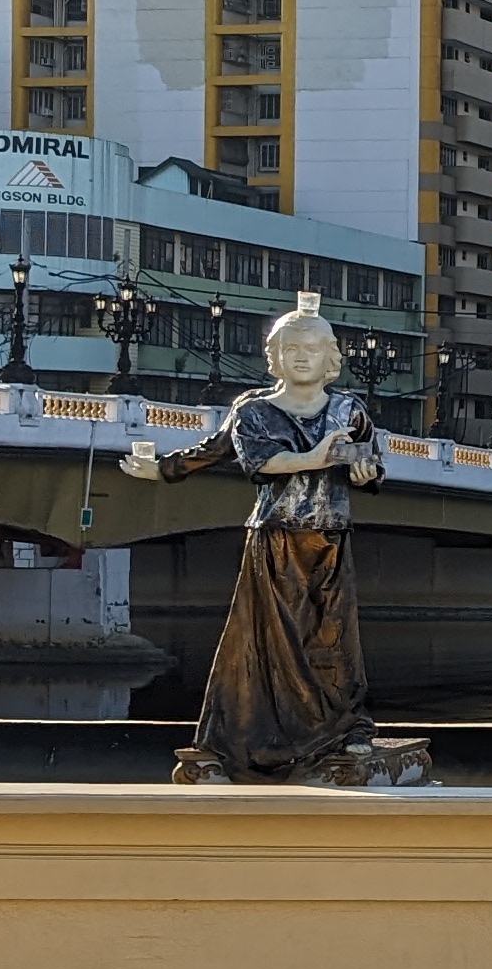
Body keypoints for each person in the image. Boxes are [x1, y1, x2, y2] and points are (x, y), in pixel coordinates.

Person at [122, 293, 385, 782]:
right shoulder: (255, 411)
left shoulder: (350, 409)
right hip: (276, 538)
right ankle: (259, 731)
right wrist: (162, 469)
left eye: (310, 347)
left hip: (330, 537)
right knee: (269, 642)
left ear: (331, 359)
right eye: (290, 349)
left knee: (334, 637)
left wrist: (366, 471)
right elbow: (242, 457)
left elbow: (368, 469)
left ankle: (344, 725)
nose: (301, 356)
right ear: (275, 359)